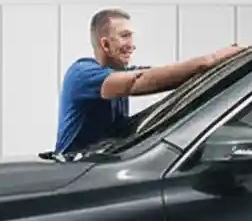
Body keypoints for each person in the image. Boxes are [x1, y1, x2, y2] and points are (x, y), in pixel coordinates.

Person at [54, 8, 242, 154]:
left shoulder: (121, 73)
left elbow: (164, 76)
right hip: (73, 172)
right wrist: (210, 59)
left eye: (131, 36)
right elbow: (140, 81)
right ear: (105, 44)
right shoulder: (83, 74)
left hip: (98, 166)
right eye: (125, 36)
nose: (132, 45)